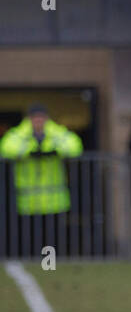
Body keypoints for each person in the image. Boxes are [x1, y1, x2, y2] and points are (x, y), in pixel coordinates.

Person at [0, 104, 84, 258]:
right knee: (28, 235)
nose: (38, 121)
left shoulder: (56, 132)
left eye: (41, 117)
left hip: (53, 198)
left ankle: (49, 264)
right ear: (29, 119)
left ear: (46, 118)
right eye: (35, 118)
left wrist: (53, 151)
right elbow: (7, 148)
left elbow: (74, 146)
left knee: (51, 237)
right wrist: (29, 152)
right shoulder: (19, 134)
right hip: (28, 199)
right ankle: (30, 262)